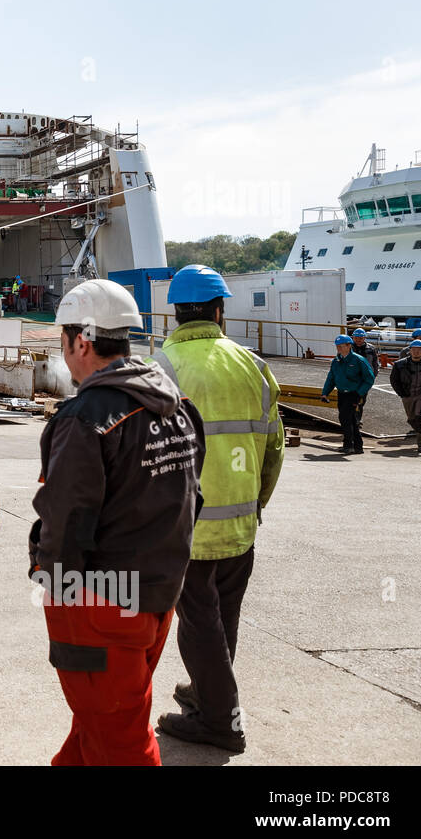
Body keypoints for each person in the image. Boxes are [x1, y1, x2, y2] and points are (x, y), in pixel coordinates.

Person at [30, 279, 205, 766]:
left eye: (64, 339)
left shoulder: (85, 417)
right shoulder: (178, 407)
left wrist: (54, 584)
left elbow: (66, 518)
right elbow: (192, 495)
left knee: (121, 742)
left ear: (81, 341)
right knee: (100, 723)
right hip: (156, 595)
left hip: (99, 602)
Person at [149, 265, 284, 754]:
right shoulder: (253, 365)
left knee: (198, 623)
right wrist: (257, 504)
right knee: (224, 617)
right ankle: (206, 690)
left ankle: (220, 722)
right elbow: (274, 448)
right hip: (242, 522)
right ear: (220, 310)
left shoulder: (160, 368)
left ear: (176, 313)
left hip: (188, 526)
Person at [320, 335, 375, 454]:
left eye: (341, 346)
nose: (338, 348)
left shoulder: (358, 360)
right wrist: (325, 393)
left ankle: (348, 445)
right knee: (350, 420)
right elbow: (331, 378)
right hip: (342, 394)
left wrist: (359, 393)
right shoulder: (336, 361)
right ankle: (358, 446)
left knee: (345, 418)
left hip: (353, 394)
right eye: (337, 346)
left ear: (349, 346)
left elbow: (369, 379)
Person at [389, 340, 421, 453]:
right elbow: (394, 380)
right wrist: (401, 393)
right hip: (408, 395)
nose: (416, 352)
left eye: (419, 350)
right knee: (412, 419)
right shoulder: (400, 364)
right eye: (414, 349)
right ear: (409, 351)